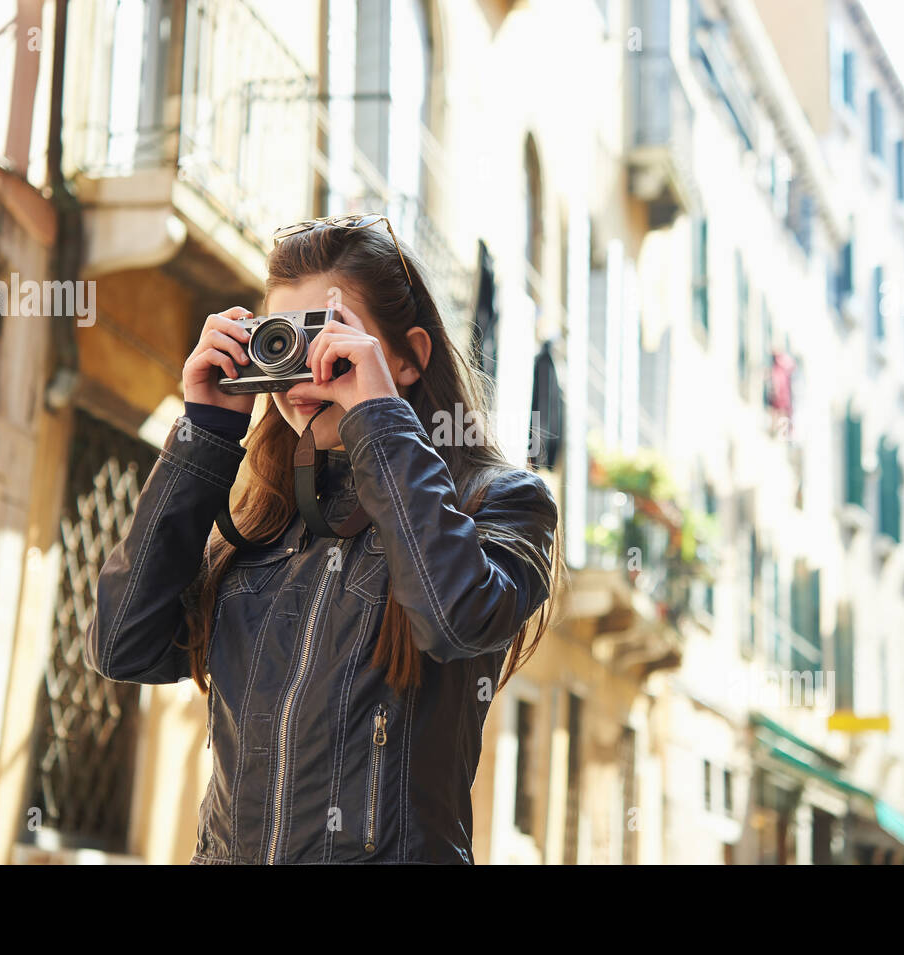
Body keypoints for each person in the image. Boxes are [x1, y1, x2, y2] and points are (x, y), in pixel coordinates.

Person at [84, 215, 561, 864]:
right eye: (285, 339)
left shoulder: (498, 501)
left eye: (329, 340)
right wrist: (203, 433)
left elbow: (455, 618)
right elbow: (122, 646)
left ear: (408, 356)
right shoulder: (263, 519)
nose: (303, 374)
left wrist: (376, 415)